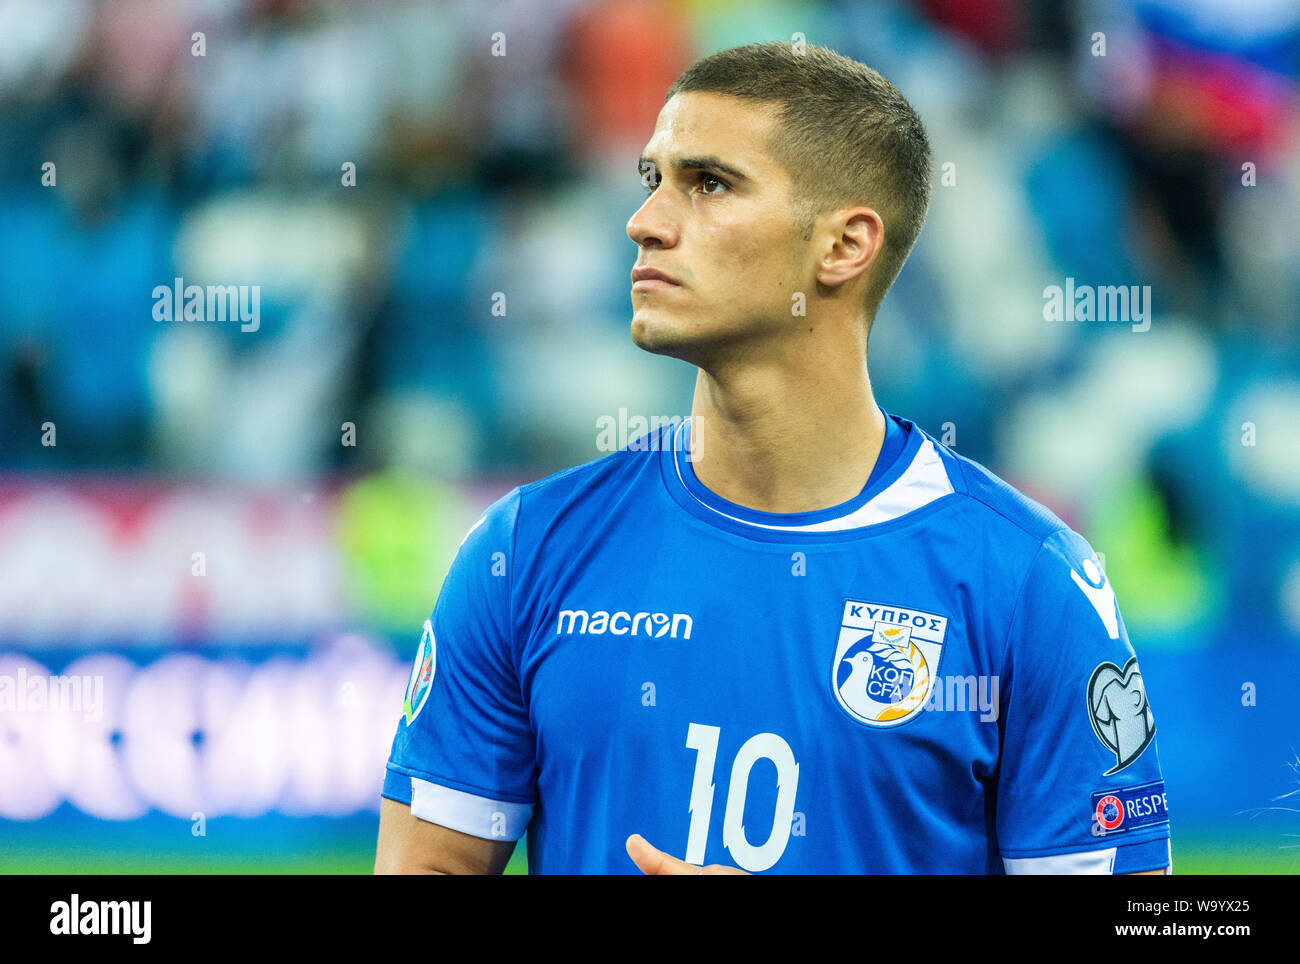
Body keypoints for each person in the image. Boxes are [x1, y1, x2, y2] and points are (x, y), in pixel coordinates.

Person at [374, 42, 1171, 874]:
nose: (644, 221)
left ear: (843, 247)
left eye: (709, 183)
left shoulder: (1028, 581)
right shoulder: (525, 552)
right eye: (654, 179)